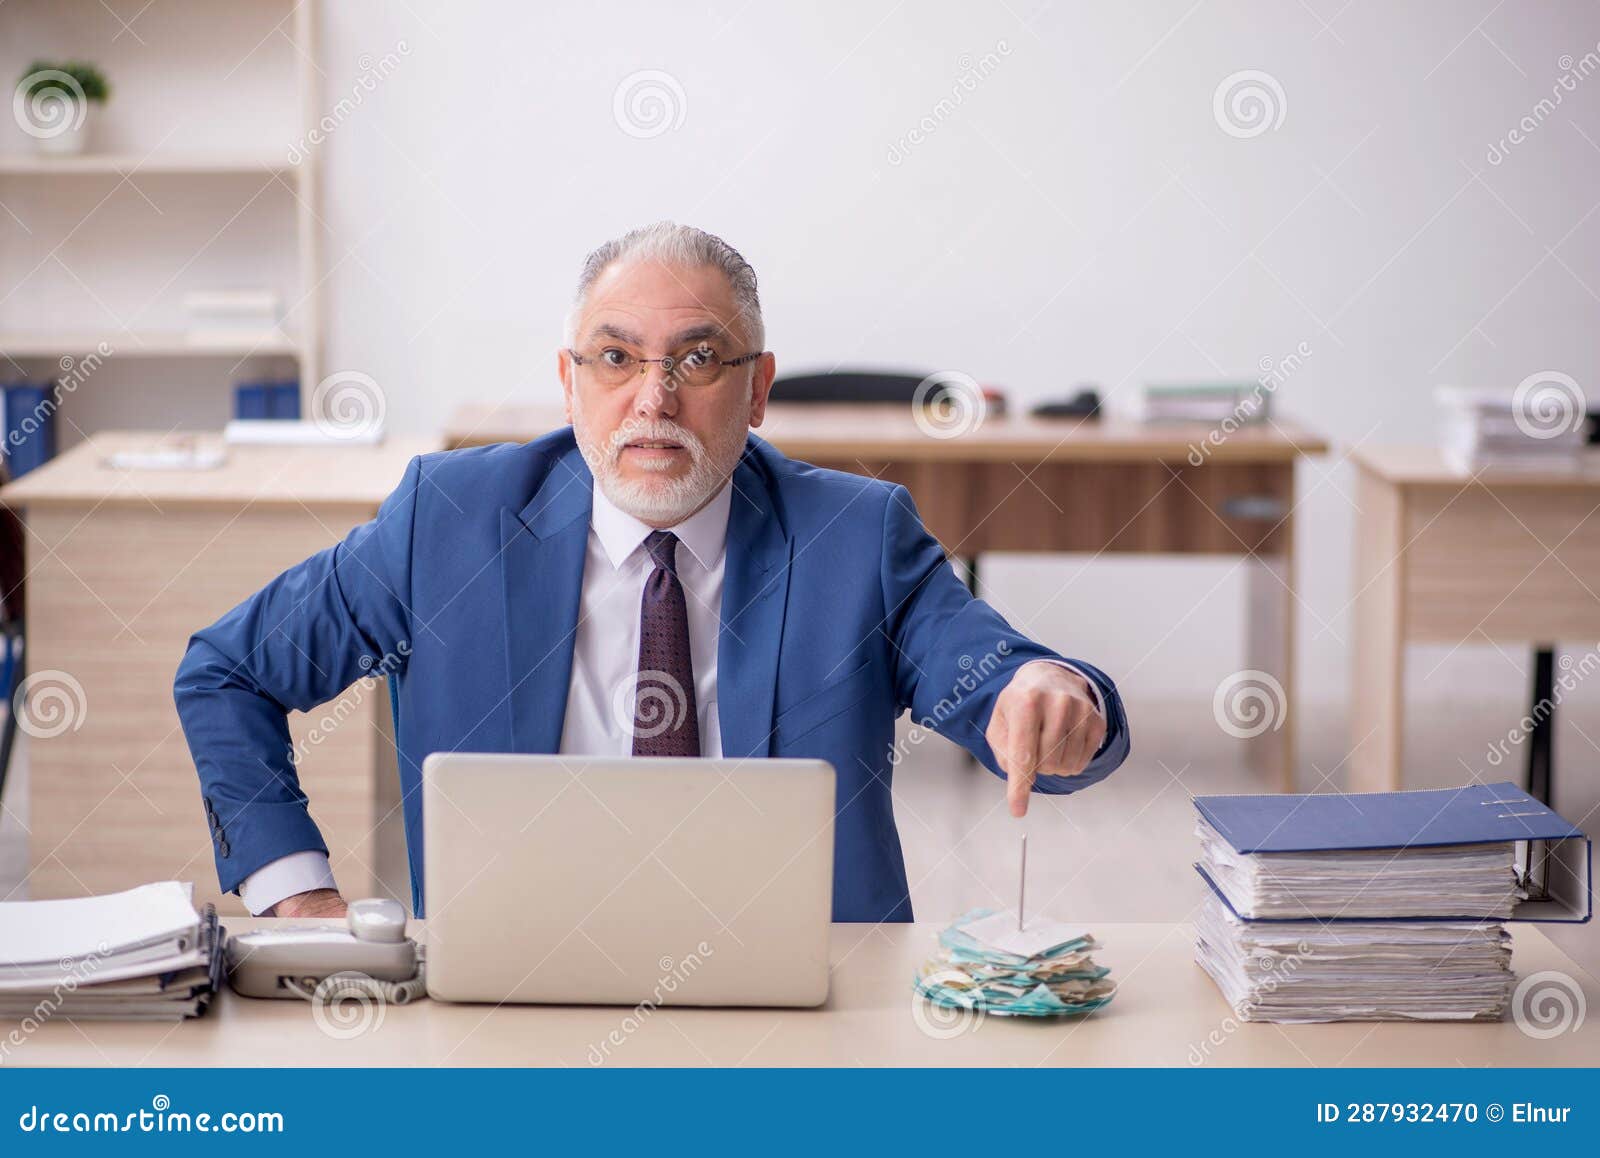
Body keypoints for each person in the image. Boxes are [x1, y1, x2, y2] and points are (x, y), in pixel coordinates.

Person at [174, 222, 1130, 923]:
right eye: (617, 357)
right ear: (570, 379)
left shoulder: (856, 536)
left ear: (758, 389)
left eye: (699, 358)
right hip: (513, 996)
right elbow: (227, 671)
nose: (654, 396)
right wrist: (295, 892)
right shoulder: (449, 523)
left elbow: (996, 676)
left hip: (810, 1008)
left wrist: (1048, 689)